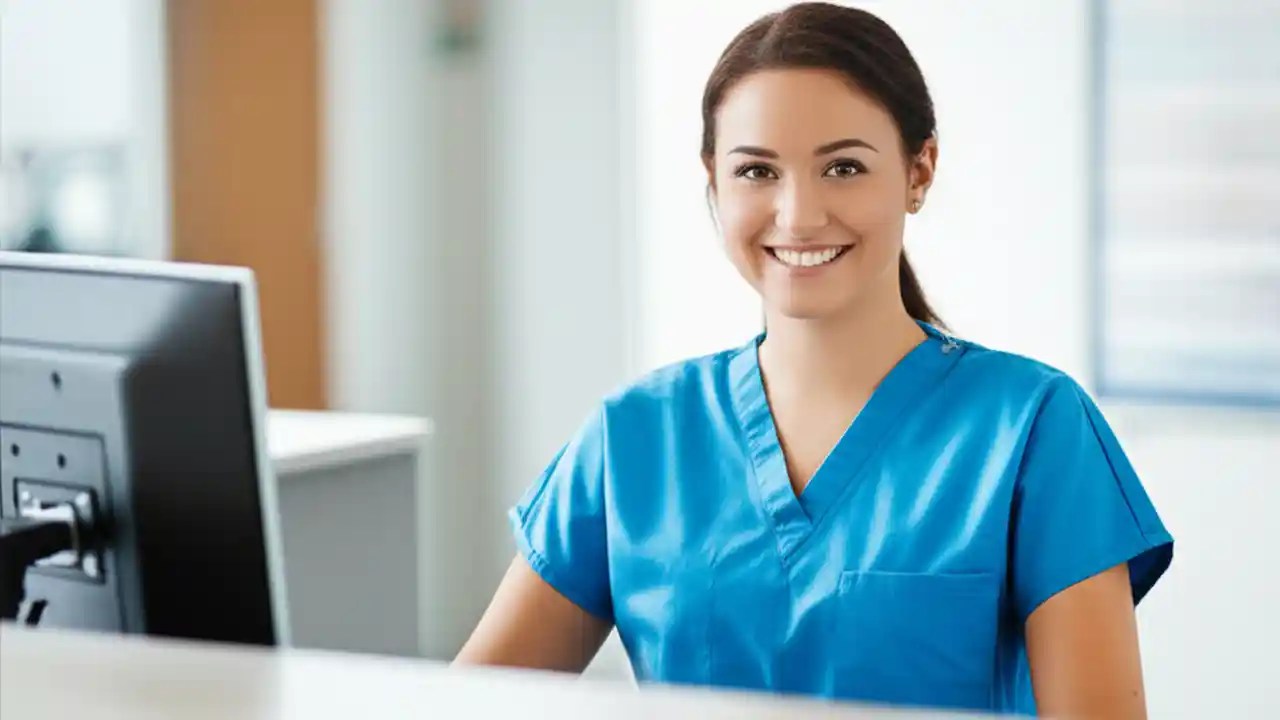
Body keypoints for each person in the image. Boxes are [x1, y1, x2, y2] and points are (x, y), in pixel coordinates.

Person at [455, 3, 1173, 717]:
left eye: (843, 167)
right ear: (714, 179)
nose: (798, 215)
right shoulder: (635, 439)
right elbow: (464, 704)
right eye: (757, 172)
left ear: (919, 170)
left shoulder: (1033, 430)